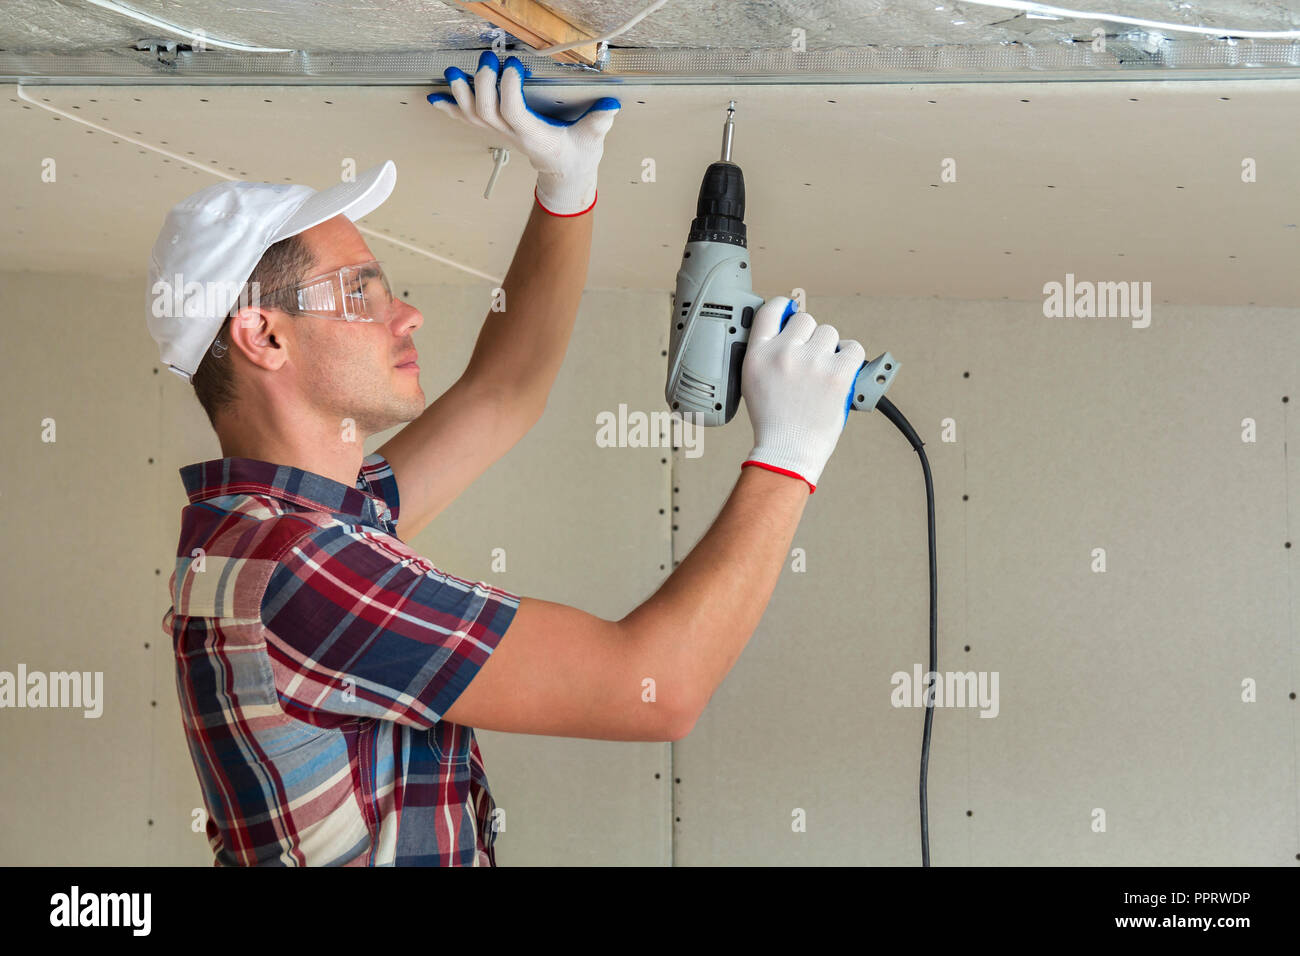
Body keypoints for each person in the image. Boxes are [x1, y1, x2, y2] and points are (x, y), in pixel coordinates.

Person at [149, 52, 864, 867]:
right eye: (360, 292)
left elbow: (503, 393)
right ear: (264, 337)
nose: (407, 314)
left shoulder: (277, 531)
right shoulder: (301, 567)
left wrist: (567, 189)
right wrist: (790, 456)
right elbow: (655, 690)